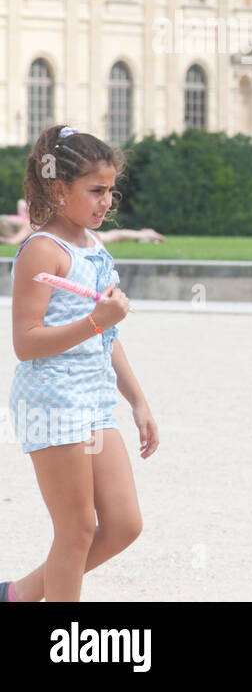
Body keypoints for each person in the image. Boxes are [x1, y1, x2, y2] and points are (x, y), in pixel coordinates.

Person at [1, 125, 159, 603]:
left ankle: (21, 594)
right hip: (52, 403)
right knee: (76, 530)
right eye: (95, 190)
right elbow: (26, 343)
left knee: (125, 523)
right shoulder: (42, 250)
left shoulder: (96, 247)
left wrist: (138, 400)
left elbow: (107, 336)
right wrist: (96, 320)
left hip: (93, 402)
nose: (106, 201)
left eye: (111, 190)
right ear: (58, 189)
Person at [0, 198, 165, 246]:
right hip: (70, 234)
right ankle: (145, 234)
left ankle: (145, 235)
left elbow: (13, 241)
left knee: (112, 236)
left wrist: (7, 240)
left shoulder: (27, 225)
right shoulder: (27, 223)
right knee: (112, 236)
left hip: (72, 235)